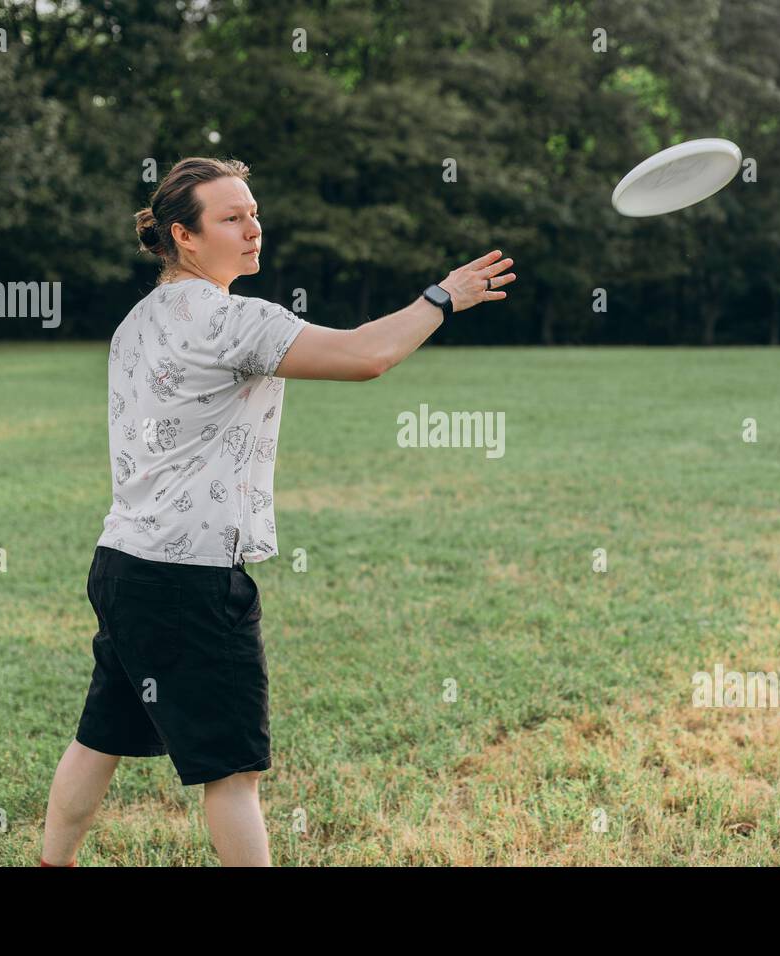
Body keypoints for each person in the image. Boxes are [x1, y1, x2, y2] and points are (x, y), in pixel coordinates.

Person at [39, 156, 517, 866]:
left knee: (102, 734)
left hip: (123, 566)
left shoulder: (137, 321)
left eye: (254, 212)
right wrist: (442, 299)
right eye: (231, 218)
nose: (253, 227)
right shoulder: (233, 320)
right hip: (190, 580)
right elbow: (366, 355)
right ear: (185, 235)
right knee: (234, 777)